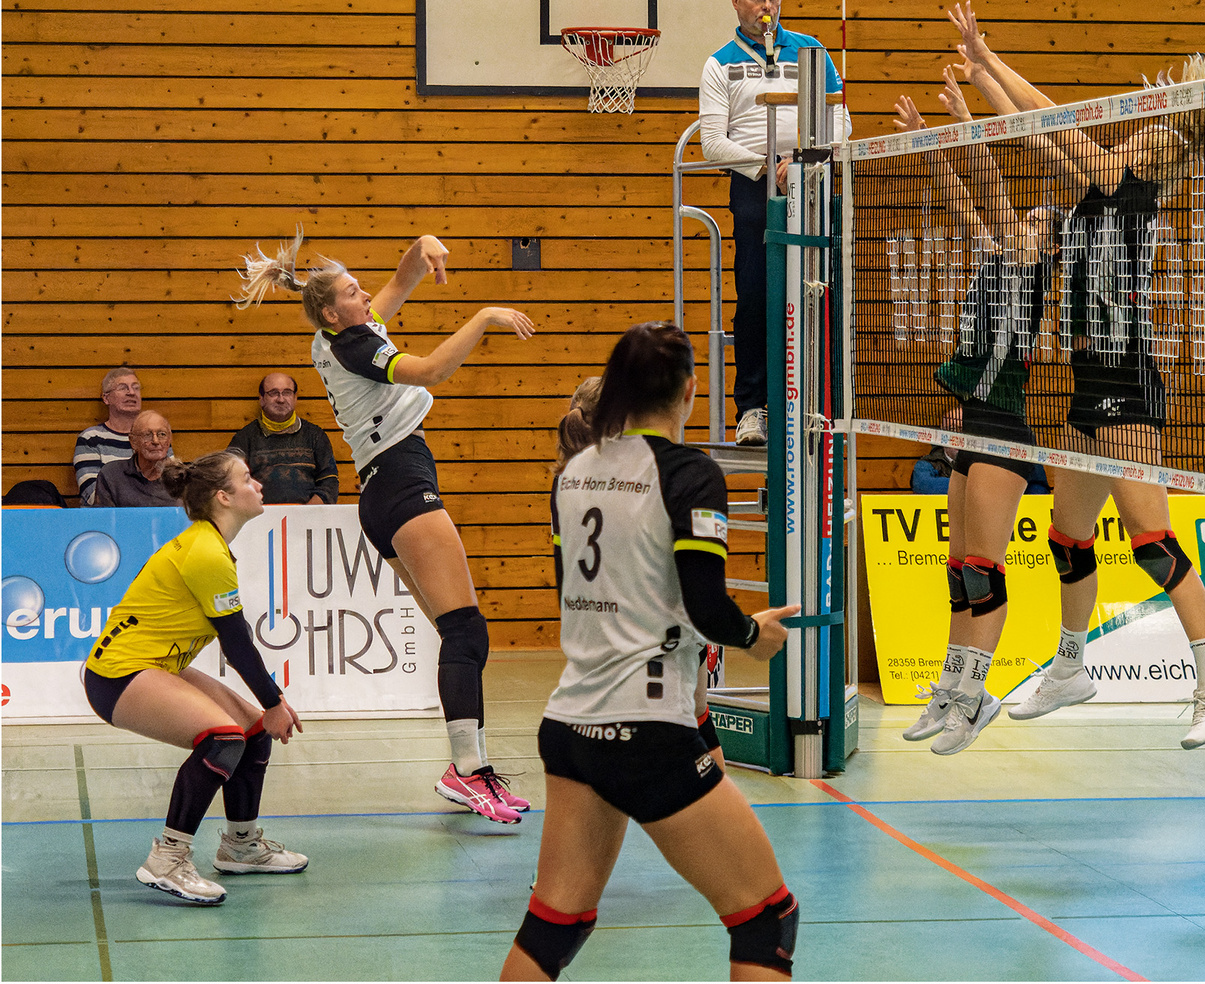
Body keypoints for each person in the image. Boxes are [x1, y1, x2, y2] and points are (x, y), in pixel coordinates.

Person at [949, 2, 1205, 747]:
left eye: (1146, 132)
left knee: (1151, 543)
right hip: (1087, 385)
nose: (1130, 130)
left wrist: (990, 68)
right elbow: (1043, 124)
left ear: (1157, 158)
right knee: (1067, 538)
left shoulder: (1130, 186)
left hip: (1127, 383)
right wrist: (986, 60)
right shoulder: (1099, 188)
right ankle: (1070, 667)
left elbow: (1051, 123)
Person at [500, 322, 800, 981]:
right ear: (690, 389)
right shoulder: (688, 473)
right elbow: (705, 604)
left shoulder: (573, 472)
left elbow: (569, 590)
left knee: (558, 922)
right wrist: (755, 636)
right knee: (764, 918)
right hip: (645, 729)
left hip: (569, 720)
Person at [234, 231, 538, 819]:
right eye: (353, 291)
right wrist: (482, 318)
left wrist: (422, 244)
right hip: (401, 479)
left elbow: (401, 281)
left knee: (462, 637)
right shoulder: (353, 347)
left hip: (382, 488)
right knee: (467, 631)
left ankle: (467, 768)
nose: (366, 294)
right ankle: (468, 773)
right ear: (333, 311)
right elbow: (428, 371)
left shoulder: (346, 327)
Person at [892, 70, 1085, 756]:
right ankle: (950, 690)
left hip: (1003, 431)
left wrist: (967, 121)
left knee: (982, 568)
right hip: (967, 427)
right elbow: (961, 196)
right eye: (1026, 222)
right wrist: (927, 140)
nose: (1024, 225)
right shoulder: (995, 257)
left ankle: (975, 698)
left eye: (1037, 225)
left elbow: (992, 189)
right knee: (955, 570)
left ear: (1052, 247)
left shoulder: (1030, 270)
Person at [82, 450, 306, 905]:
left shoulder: (210, 543)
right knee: (223, 737)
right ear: (223, 497)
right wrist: (274, 701)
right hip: (117, 675)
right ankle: (167, 858)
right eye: (247, 479)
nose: (258, 485)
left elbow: (236, 635)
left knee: (253, 732)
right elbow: (236, 642)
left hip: (156, 666)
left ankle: (240, 846)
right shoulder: (206, 551)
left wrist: (268, 709)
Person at [699, 0, 851, 447]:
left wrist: (802, 162)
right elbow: (711, 143)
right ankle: (752, 409)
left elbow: (842, 121)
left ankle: (822, 402)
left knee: (822, 291)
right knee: (757, 296)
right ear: (737, 0)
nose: (767, 7)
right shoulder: (719, 62)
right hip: (754, 186)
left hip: (812, 182)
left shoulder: (812, 51)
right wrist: (769, 167)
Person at [554, 374, 726, 770]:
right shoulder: (658, 478)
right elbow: (695, 589)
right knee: (694, 716)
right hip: (658, 649)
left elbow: (568, 583)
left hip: (589, 657)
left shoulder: (568, 483)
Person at [228, 372, 340, 505]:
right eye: (273, 393)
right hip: (260, 518)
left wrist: (308, 512)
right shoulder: (244, 438)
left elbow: (329, 481)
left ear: (295, 397)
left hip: (308, 519)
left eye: (287, 392)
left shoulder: (315, 436)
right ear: (262, 399)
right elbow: (231, 482)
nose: (281, 399)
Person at [73, 367, 144, 504]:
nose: (131, 393)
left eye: (136, 388)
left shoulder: (156, 437)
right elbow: (94, 495)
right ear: (106, 398)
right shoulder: (91, 439)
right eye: (123, 388)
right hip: (103, 520)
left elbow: (170, 489)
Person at [93, 410, 180, 508]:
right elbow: (104, 520)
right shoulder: (111, 475)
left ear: (169, 440)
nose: (155, 441)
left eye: (162, 434)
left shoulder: (182, 478)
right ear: (133, 441)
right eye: (147, 435)